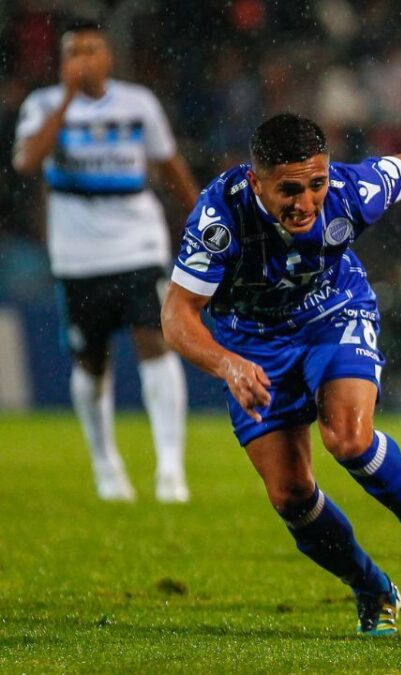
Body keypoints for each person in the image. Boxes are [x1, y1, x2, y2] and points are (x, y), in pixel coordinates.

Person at [161, 113, 401, 635]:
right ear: (257, 182)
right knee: (291, 496)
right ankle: (372, 589)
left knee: (347, 437)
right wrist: (228, 365)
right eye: (290, 190)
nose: (306, 202)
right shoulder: (219, 218)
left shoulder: (351, 191)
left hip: (335, 313)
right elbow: (177, 314)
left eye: (316, 184)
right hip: (253, 345)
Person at [12, 20, 198, 503]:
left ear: (109, 57)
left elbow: (169, 162)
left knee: (154, 340)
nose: (83, 60)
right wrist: (69, 101)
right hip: (78, 256)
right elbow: (27, 161)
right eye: (74, 52)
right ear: (61, 60)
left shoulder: (138, 103)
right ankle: (105, 464)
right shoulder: (42, 106)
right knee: (92, 361)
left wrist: (203, 223)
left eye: (92, 50)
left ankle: (170, 470)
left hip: (138, 245)